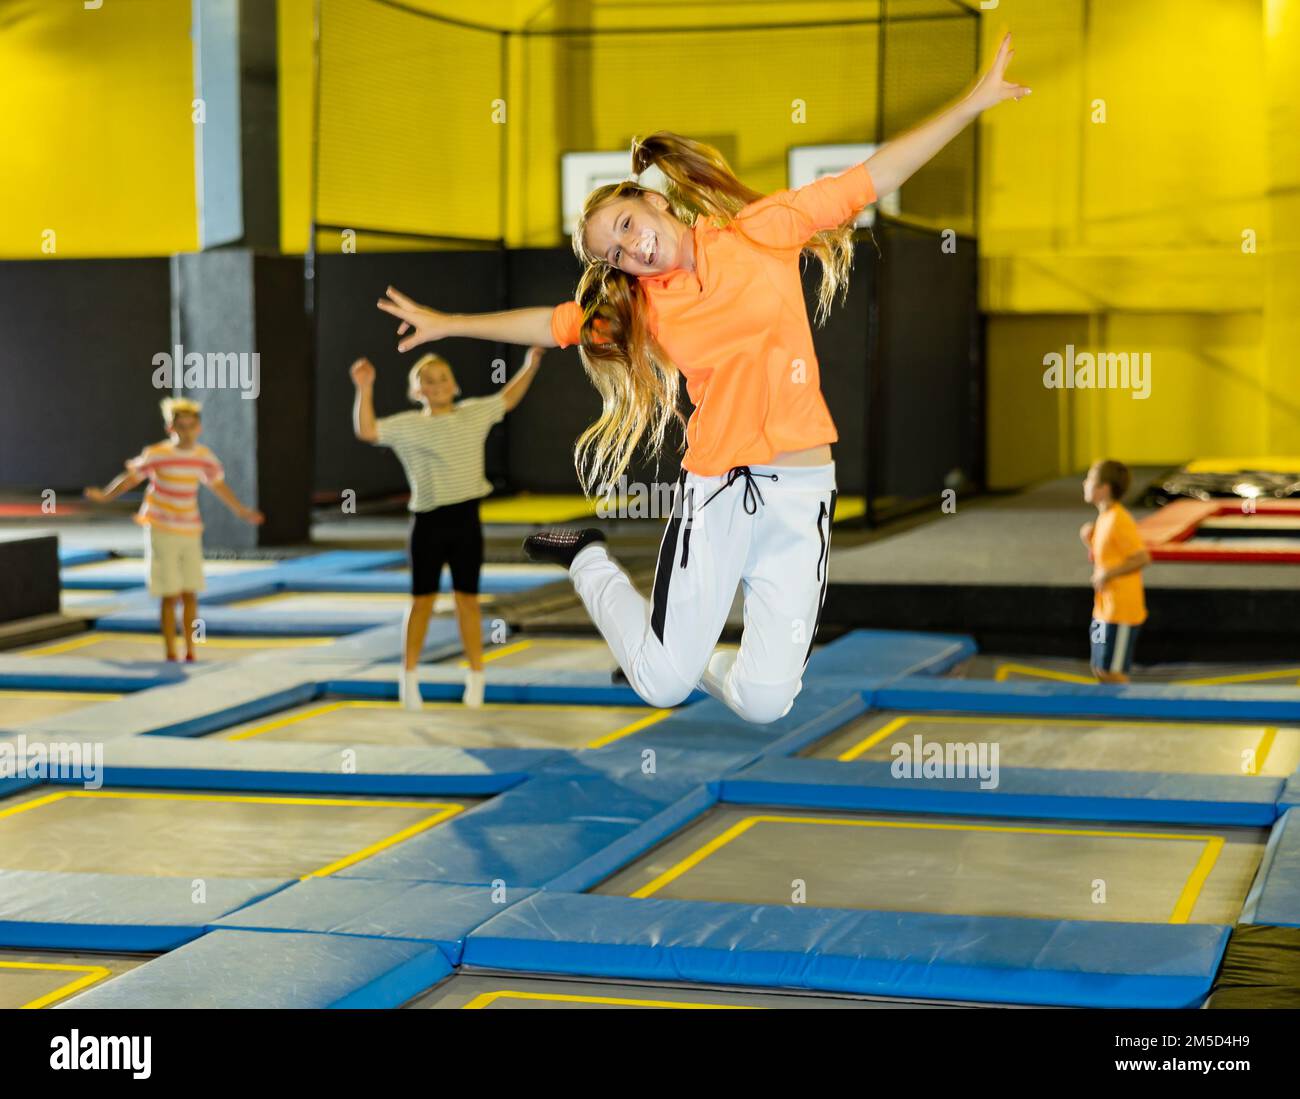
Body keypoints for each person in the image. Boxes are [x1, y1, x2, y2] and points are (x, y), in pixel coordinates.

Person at [376, 37, 1029, 722]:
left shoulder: (762, 232)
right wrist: (447, 321)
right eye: (615, 253)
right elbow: (551, 324)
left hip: (803, 494)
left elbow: (872, 175)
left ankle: (698, 660)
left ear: (654, 202)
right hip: (721, 489)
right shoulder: (645, 308)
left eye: (627, 225)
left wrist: (972, 103)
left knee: (766, 700)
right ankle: (587, 559)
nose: (631, 249)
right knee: (660, 682)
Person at [351, 348, 544, 708]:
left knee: (467, 601)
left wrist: (530, 365)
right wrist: (365, 387)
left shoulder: (473, 413)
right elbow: (367, 429)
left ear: (454, 385)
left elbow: (508, 398)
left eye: (442, 379)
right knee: (421, 601)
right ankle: (408, 675)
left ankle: (476, 674)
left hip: (466, 520)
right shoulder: (409, 426)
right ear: (417, 391)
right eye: (428, 381)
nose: (437, 385)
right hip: (428, 523)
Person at [84, 397, 263, 661]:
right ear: (171, 428)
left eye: (192, 426)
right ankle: (170, 651)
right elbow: (131, 478)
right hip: (161, 527)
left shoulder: (203, 457)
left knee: (190, 592)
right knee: (169, 594)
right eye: (181, 426)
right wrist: (106, 496)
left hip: (189, 528)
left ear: (199, 428)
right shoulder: (158, 454)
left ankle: (190, 649)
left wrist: (240, 510)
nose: (187, 432)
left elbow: (218, 485)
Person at [1080, 460, 1150, 684]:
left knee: (1113, 672)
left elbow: (1141, 557)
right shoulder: (1104, 518)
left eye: (1090, 479)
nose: (1084, 483)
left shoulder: (1119, 520)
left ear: (1104, 488)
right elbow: (1108, 558)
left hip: (1120, 612)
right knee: (1100, 668)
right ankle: (1110, 715)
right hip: (1102, 609)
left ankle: (1129, 716)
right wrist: (1089, 542)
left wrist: (1107, 575)